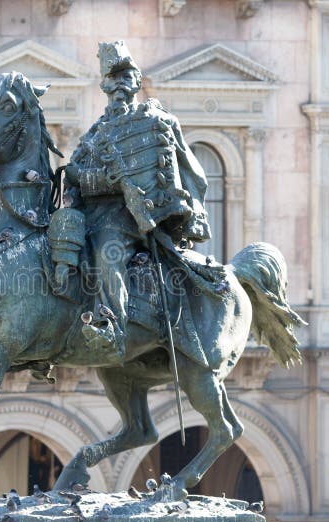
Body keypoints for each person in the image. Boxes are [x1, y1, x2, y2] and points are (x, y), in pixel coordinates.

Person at [62, 40, 211, 362]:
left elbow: (179, 172)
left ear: (136, 83)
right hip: (90, 213)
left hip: (127, 217)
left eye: (126, 78)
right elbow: (75, 175)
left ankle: (110, 326)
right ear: (104, 86)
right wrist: (76, 191)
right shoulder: (95, 133)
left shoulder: (153, 122)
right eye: (113, 80)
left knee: (107, 252)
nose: (119, 86)